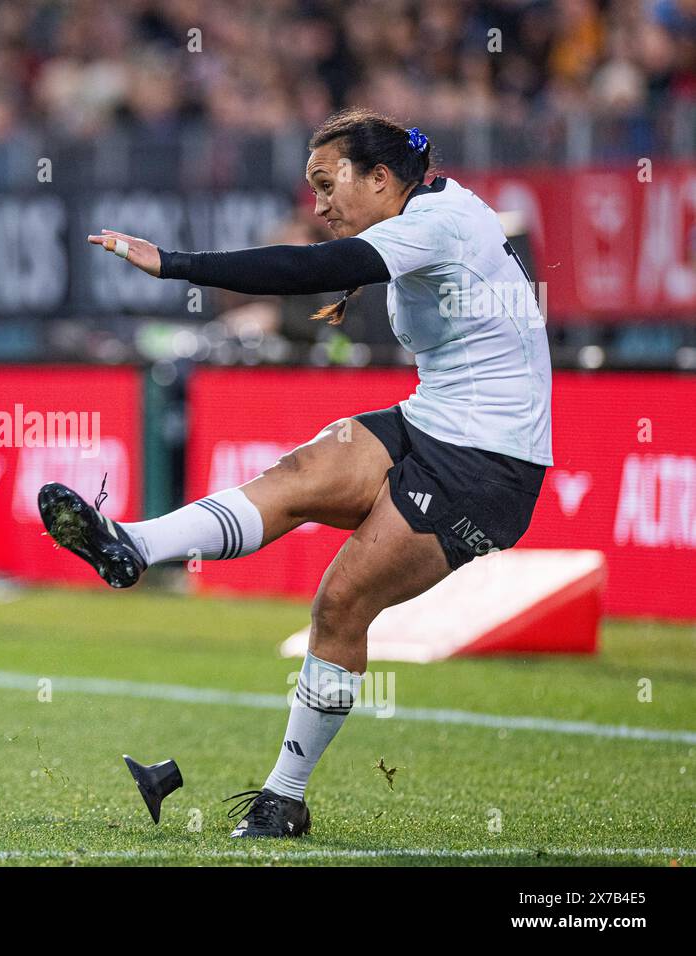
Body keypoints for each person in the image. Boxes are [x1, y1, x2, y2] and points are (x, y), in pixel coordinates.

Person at [38, 108, 552, 839]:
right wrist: (363, 286)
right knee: (302, 471)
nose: (318, 205)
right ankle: (131, 547)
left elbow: (308, 266)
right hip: (436, 419)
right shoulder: (438, 210)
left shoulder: (435, 224)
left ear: (380, 177)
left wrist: (175, 263)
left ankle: (284, 799)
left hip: (490, 466)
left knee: (340, 604)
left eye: (326, 183)